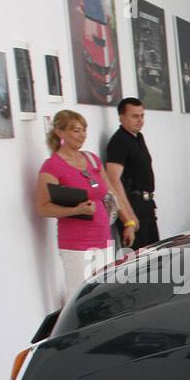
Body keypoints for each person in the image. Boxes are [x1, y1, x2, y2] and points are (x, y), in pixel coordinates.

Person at [34, 109, 137, 305]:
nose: (82, 135)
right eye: (75, 130)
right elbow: (43, 207)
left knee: (105, 291)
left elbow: (112, 193)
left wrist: (128, 221)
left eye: (84, 130)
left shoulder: (91, 159)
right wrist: (76, 210)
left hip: (102, 237)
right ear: (59, 132)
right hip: (76, 242)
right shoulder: (52, 166)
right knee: (79, 296)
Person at [104, 97, 160, 249]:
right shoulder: (119, 141)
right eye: (134, 116)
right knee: (139, 262)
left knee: (155, 256)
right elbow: (113, 180)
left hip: (146, 204)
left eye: (142, 116)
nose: (140, 120)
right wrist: (128, 216)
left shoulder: (138, 137)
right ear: (122, 117)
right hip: (132, 204)